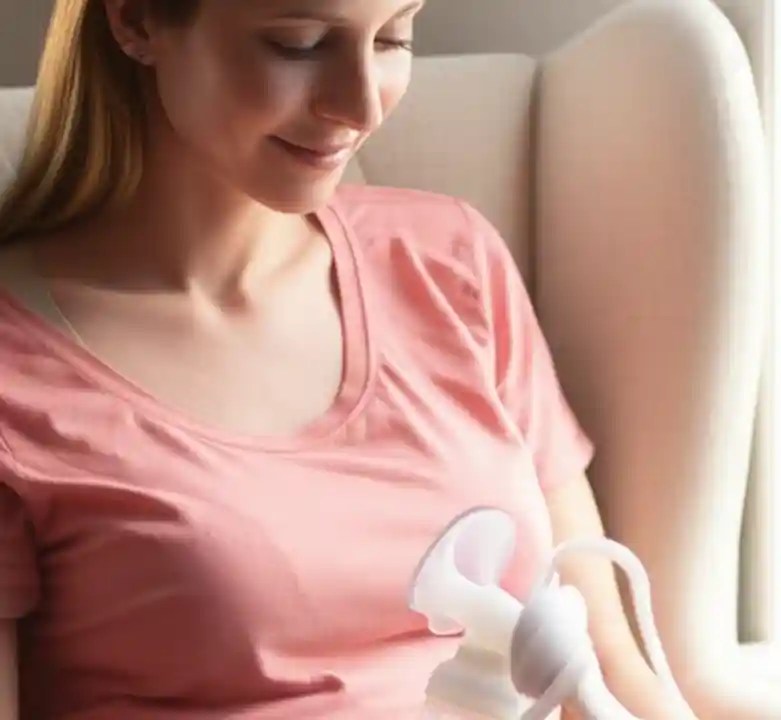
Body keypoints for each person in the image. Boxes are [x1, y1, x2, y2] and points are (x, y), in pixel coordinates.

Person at [0, 1, 695, 717]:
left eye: (395, 35)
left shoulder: (448, 263)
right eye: (298, 45)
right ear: (138, 20)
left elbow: (612, 671)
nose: (362, 105)